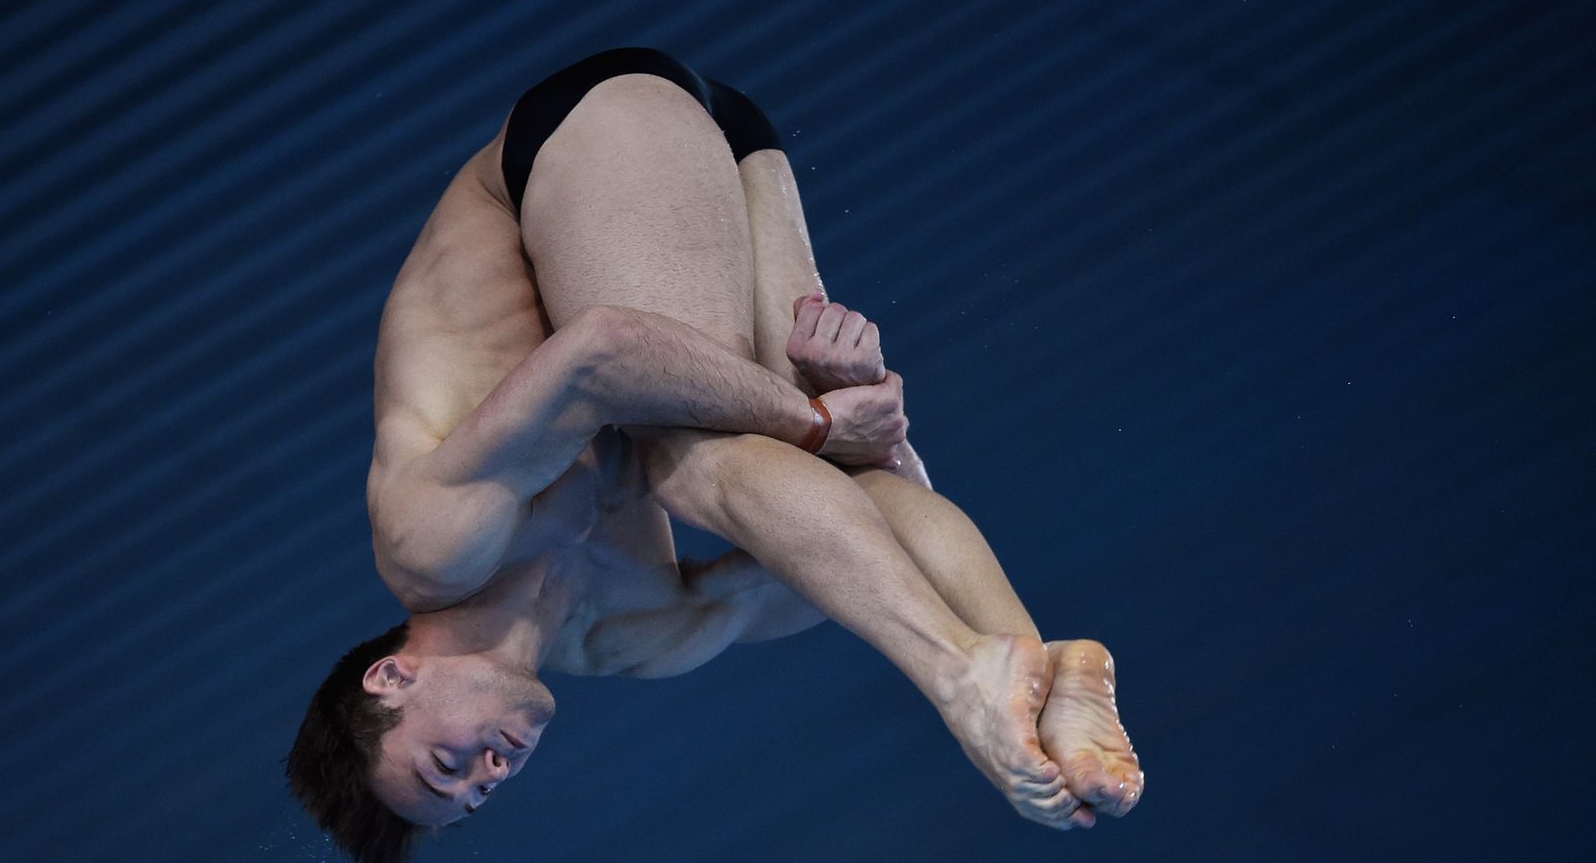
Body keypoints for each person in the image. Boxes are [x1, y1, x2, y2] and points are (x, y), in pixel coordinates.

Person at [287, 48, 1142, 862]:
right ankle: (1039, 667)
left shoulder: (429, 547)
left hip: (589, 129)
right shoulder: (639, 636)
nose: (493, 770)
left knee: (682, 454)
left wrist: (811, 421)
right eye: (481, 792)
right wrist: (872, 421)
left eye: (449, 763)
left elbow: (603, 353)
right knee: (786, 475)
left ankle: (963, 676)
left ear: (392, 678)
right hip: (733, 151)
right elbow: (864, 530)